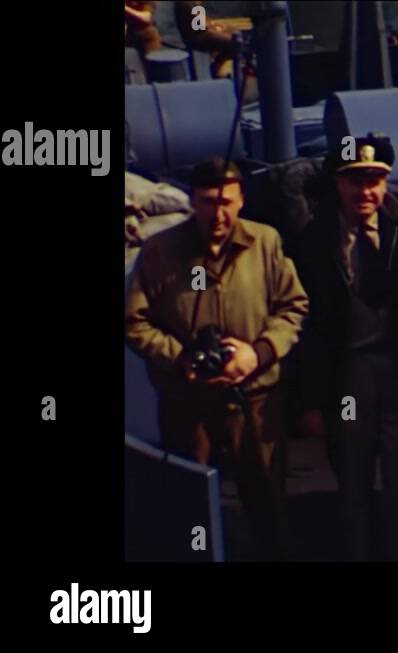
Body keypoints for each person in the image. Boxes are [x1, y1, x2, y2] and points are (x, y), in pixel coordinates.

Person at [125, 158, 309, 560]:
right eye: (208, 202)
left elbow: (293, 307)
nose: (218, 212)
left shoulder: (266, 243)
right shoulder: (159, 252)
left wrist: (257, 353)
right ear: (192, 201)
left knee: (269, 509)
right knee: (190, 511)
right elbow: (134, 323)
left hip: (256, 401)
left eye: (227, 201)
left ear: (242, 199)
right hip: (187, 403)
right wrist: (179, 358)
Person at [293, 134, 398, 561]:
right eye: (355, 181)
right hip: (348, 375)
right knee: (353, 483)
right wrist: (311, 402)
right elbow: (306, 328)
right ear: (337, 184)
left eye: (375, 180)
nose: (365, 192)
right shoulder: (314, 240)